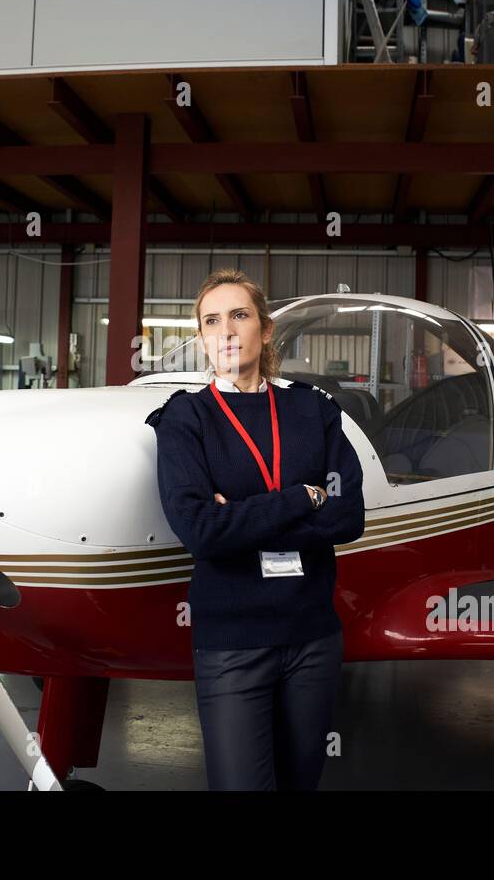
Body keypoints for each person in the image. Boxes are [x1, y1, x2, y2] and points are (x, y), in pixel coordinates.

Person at [145, 268, 365, 790]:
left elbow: (348, 516)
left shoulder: (313, 410)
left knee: (300, 783)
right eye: (212, 320)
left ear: (265, 330)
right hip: (232, 646)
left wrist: (240, 516)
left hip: (312, 637)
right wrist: (299, 498)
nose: (226, 331)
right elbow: (201, 531)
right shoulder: (184, 420)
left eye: (239, 316)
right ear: (201, 337)